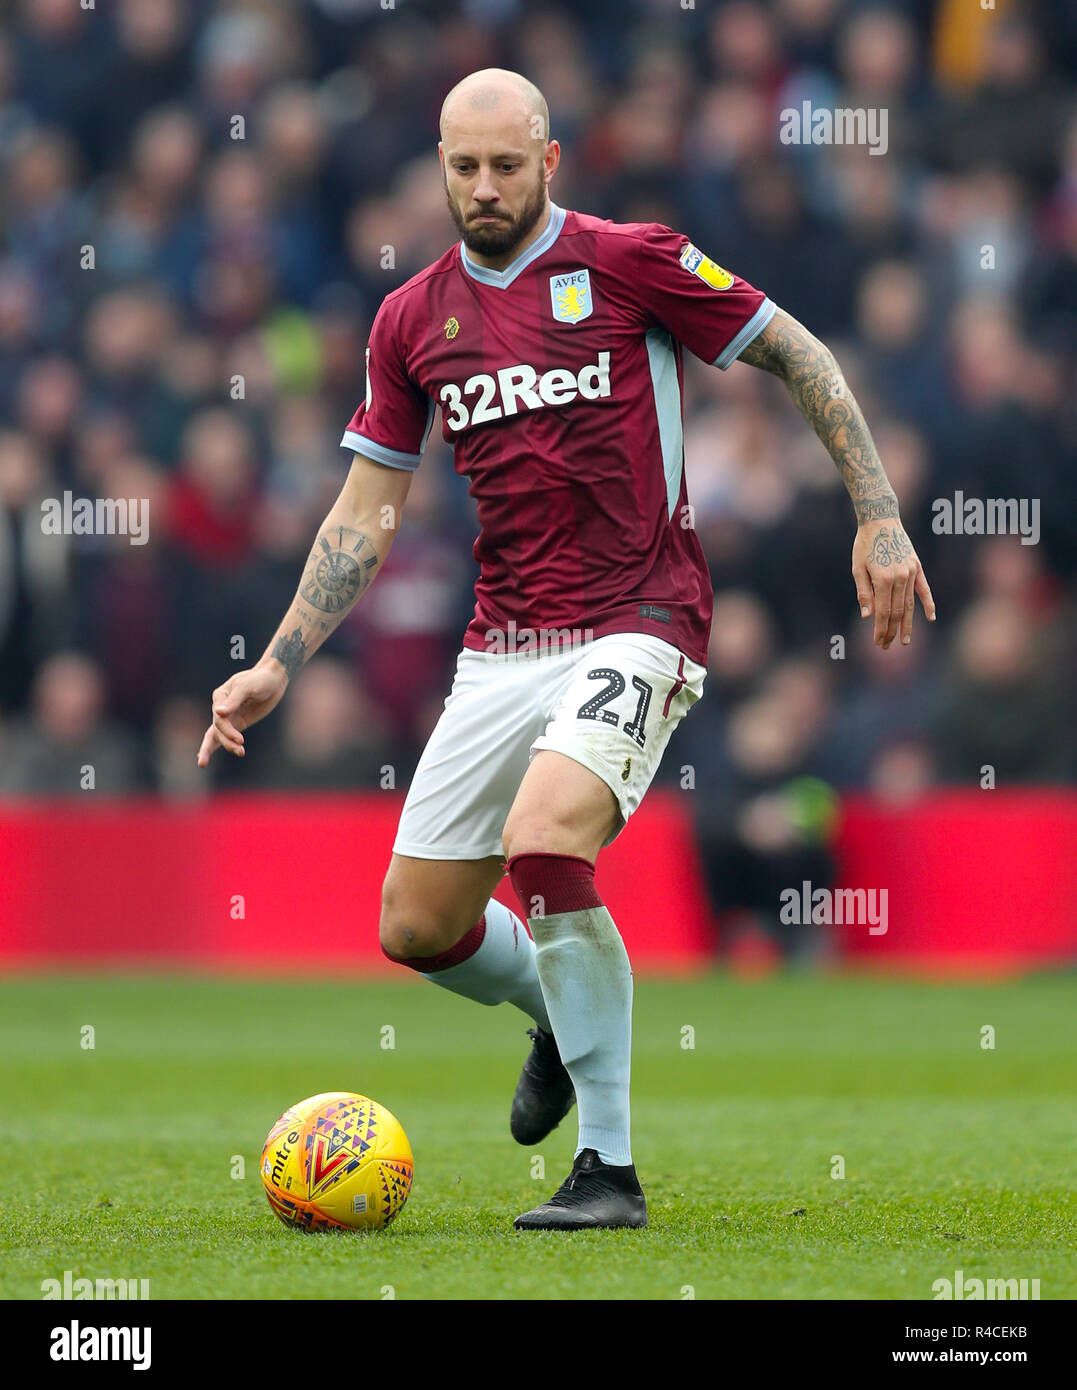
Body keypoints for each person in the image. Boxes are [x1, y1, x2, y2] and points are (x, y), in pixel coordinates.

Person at [197, 68, 935, 1230]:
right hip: (503, 643)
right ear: (438, 168)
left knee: (544, 844)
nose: (483, 187)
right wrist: (281, 659)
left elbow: (800, 353)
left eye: (505, 164)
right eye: (461, 167)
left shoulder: (633, 259)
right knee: (416, 927)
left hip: (643, 617)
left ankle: (610, 1170)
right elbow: (362, 514)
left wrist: (880, 515)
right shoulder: (411, 321)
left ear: (550, 160)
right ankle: (553, 1008)